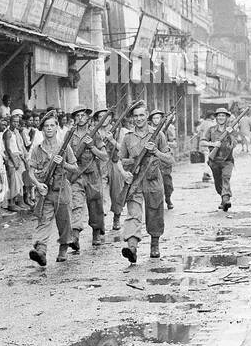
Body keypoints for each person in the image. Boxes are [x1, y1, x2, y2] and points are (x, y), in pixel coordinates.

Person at [118, 101, 173, 263]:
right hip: (135, 182)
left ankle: (154, 244)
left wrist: (155, 151)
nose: (139, 119)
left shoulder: (158, 135)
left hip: (153, 180)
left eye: (142, 115)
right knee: (133, 214)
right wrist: (124, 172)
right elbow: (119, 160)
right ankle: (132, 247)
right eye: (135, 116)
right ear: (132, 119)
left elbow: (169, 159)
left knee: (154, 212)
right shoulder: (127, 138)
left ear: (147, 116)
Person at [26, 110, 79, 266]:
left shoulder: (64, 147)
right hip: (46, 191)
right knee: (43, 220)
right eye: (46, 126)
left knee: (64, 222)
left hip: (62, 190)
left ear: (57, 128)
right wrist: (37, 184)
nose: (49, 128)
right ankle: (41, 251)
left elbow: (75, 168)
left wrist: (63, 163)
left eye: (52, 125)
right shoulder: (37, 149)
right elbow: (30, 171)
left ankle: (63, 249)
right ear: (42, 129)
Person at [66, 109, 108, 249]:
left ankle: (96, 231)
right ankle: (75, 235)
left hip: (92, 173)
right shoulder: (69, 134)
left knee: (95, 203)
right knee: (76, 204)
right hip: (76, 174)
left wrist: (92, 147)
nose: (80, 118)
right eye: (77, 115)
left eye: (83, 115)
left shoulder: (94, 133)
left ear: (88, 117)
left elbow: (104, 156)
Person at [201, 107, 240, 212]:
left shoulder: (231, 130)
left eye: (223, 115)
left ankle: (226, 199)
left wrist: (229, 134)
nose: (221, 117)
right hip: (214, 161)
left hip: (227, 160)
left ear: (227, 118)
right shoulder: (211, 130)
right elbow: (203, 142)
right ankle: (223, 199)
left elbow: (234, 144)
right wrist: (213, 144)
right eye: (219, 115)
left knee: (226, 177)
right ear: (216, 117)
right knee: (218, 183)